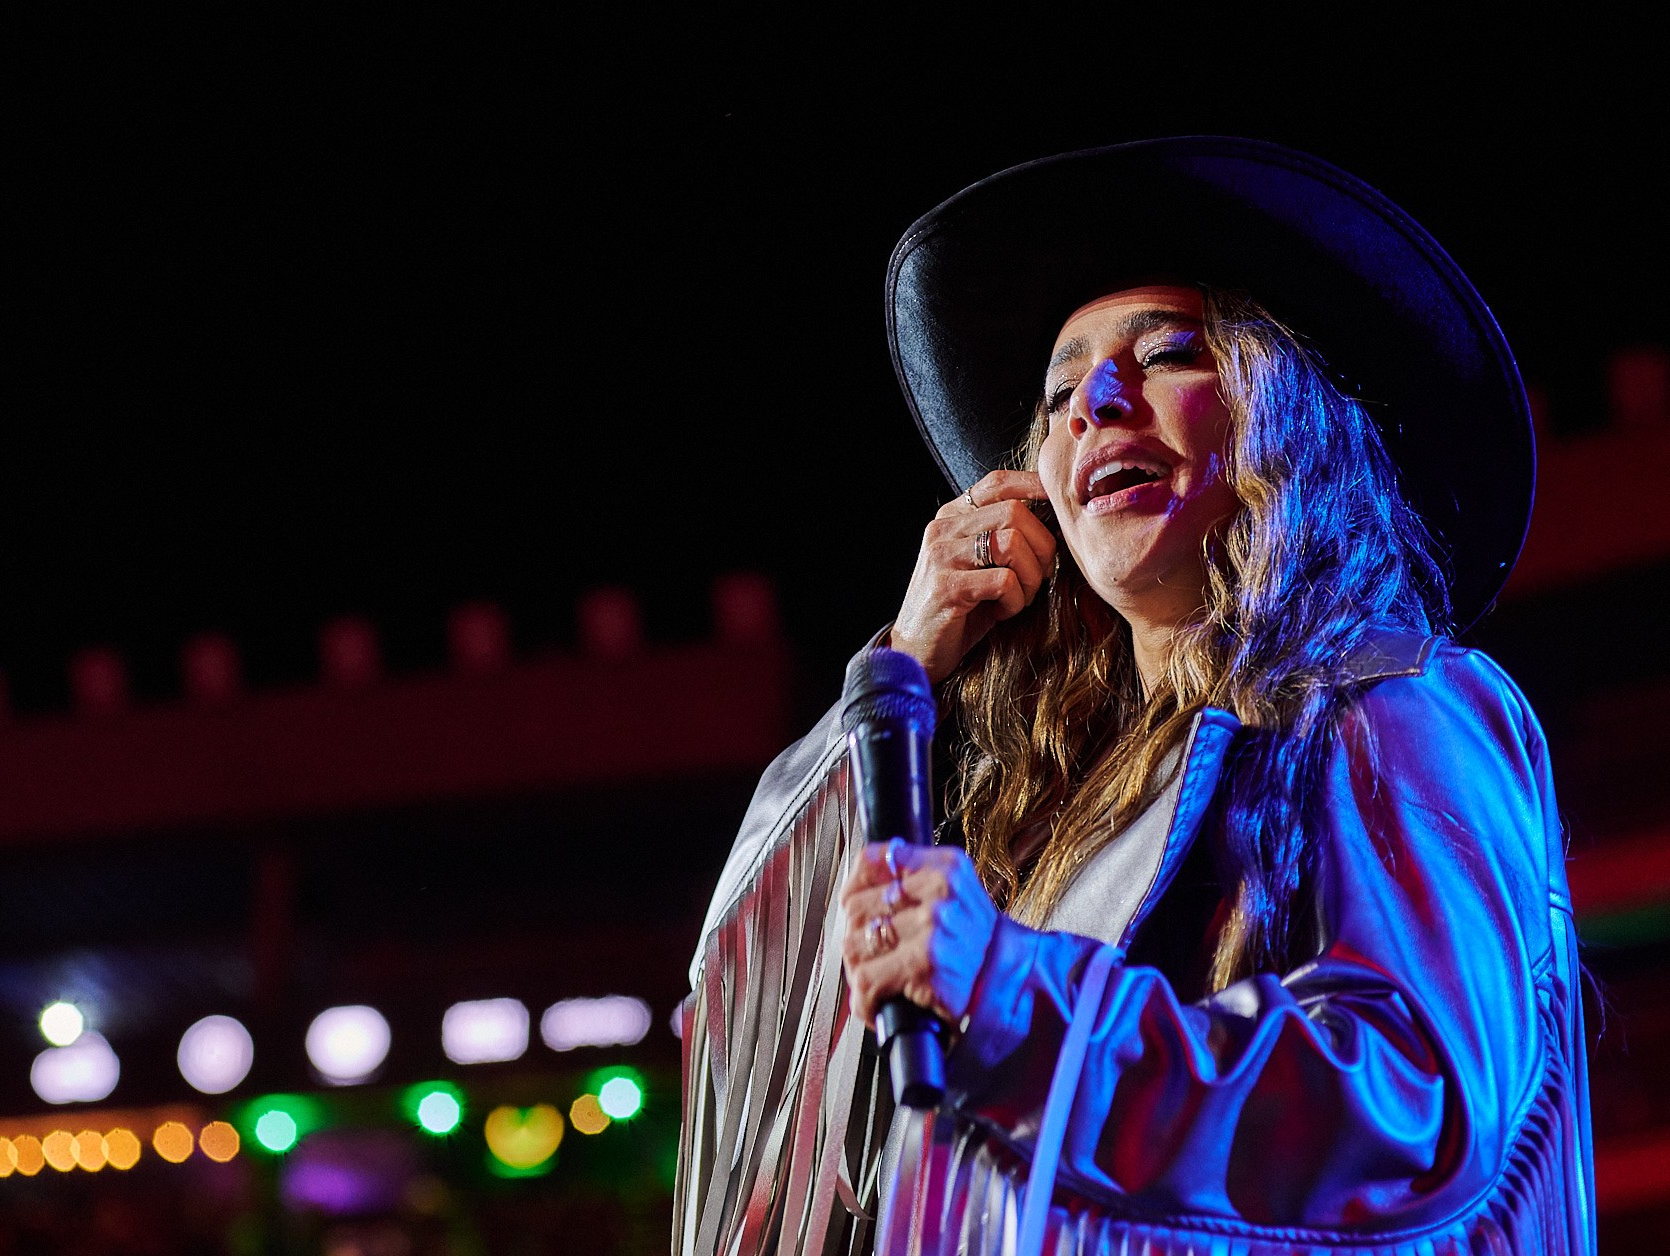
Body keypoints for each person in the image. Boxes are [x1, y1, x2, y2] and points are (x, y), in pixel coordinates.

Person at [674, 138, 1594, 1256]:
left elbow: (1414, 1107)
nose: (1095, 404)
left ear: (1283, 412)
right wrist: (906, 667)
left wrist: (1010, 994)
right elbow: (770, 1050)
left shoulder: (1397, 706)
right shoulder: (1036, 814)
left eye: (1165, 355)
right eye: (1058, 393)